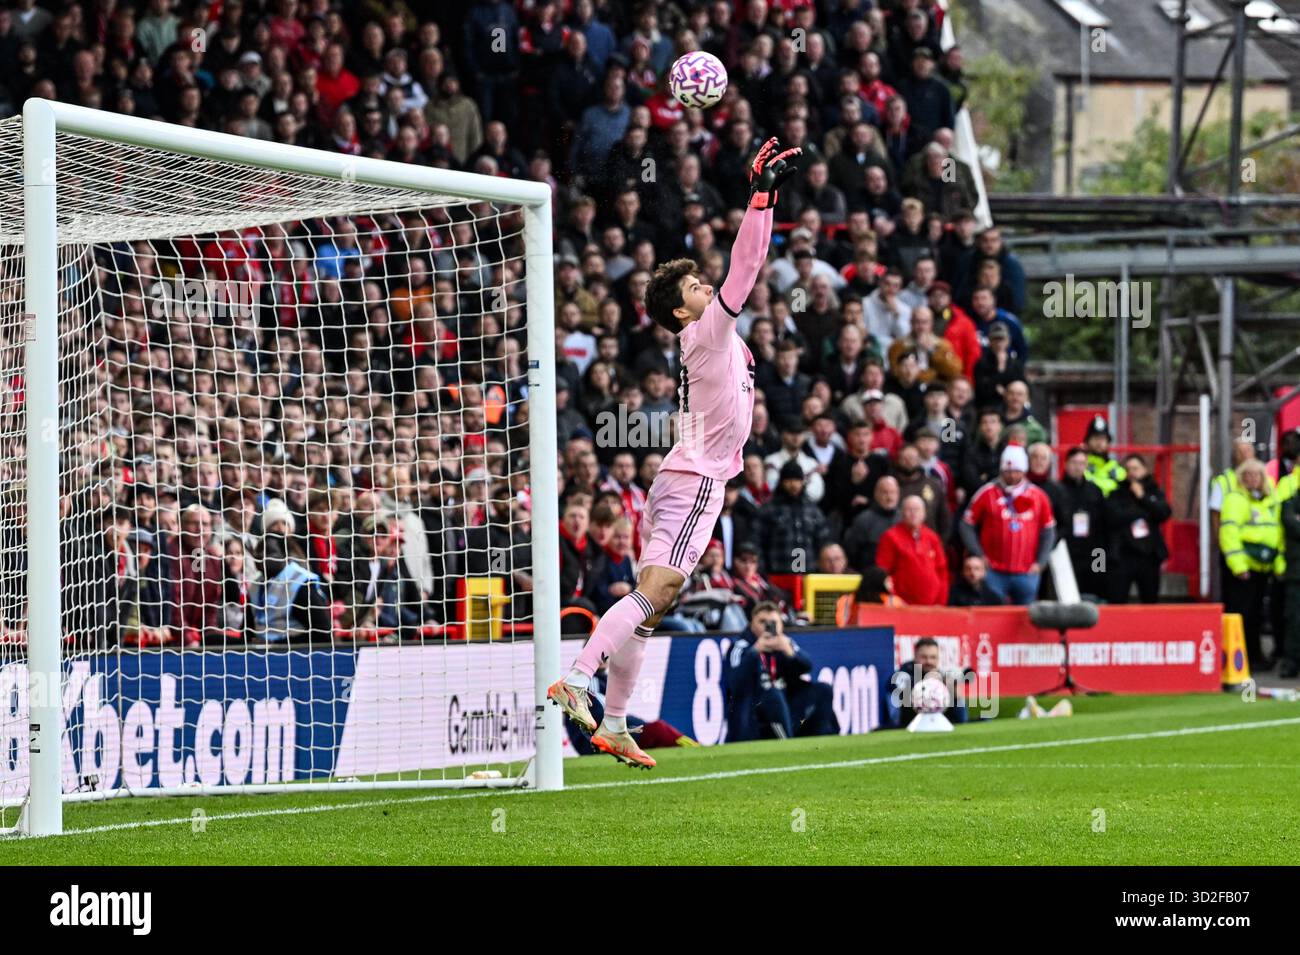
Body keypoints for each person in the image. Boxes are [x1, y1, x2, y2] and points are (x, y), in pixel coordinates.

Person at [548, 138, 803, 769]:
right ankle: (578, 677)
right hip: (697, 482)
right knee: (659, 592)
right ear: (679, 308)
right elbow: (747, 267)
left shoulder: (721, 342)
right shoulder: (706, 331)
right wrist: (761, 197)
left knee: (647, 607)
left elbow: (745, 267)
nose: (705, 285)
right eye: (694, 284)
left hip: (677, 477)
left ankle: (613, 723)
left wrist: (764, 204)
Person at [725, 601, 839, 742]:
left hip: (785, 708)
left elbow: (807, 665)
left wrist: (789, 652)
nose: (767, 627)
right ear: (751, 623)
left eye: (773, 622)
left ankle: (819, 744)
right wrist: (755, 651)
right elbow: (734, 682)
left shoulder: (784, 643)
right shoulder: (741, 646)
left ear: (781, 625)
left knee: (823, 690)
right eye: (762, 622)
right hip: (753, 713)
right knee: (772, 694)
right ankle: (787, 745)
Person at [960, 444, 1056, 605]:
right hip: (993, 570)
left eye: (1016, 471)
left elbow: (1048, 531)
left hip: (1027, 572)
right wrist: (978, 554)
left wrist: (1041, 562)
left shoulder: (1038, 496)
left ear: (1024, 470)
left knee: (1025, 620)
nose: (1012, 475)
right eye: (1008, 471)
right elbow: (966, 524)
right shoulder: (987, 492)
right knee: (993, 616)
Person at [1219, 459, 1283, 671]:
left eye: (1256, 475)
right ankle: (1240, 658)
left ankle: (1255, 655)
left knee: (1257, 615)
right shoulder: (1236, 499)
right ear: (1242, 478)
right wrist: (1238, 565)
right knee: (1241, 614)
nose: (1253, 479)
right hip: (1244, 567)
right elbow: (1229, 534)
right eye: (1248, 476)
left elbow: (1276, 531)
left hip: (1263, 567)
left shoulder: (1268, 499)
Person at [1104, 454, 1172, 604]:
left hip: (1148, 556)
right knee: (1117, 600)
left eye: (1135, 468)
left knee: (1150, 600)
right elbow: (1112, 517)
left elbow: (1163, 512)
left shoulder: (1154, 492)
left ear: (1145, 470)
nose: (1132, 472)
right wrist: (1143, 513)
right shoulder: (1117, 493)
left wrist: (1142, 497)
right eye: (1128, 469)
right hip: (1123, 555)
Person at [1046, 446, 1106, 599]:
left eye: (1081, 463)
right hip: (1066, 549)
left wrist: (1101, 559)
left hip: (1094, 550)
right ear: (1066, 464)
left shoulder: (1095, 490)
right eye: (1074, 462)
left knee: (1095, 589)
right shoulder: (1057, 489)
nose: (1078, 467)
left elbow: (1102, 524)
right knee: (1067, 592)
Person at [875, 495, 949, 605]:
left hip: (932, 607)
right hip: (901, 606)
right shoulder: (890, 537)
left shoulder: (932, 537)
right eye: (909, 509)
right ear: (902, 513)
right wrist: (894, 600)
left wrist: (941, 602)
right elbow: (883, 573)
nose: (913, 513)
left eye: (917, 509)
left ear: (924, 514)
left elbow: (942, 571)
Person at [886, 637, 968, 728]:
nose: (929, 661)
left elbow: (961, 717)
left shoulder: (940, 675)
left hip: (937, 722)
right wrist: (925, 682)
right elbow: (896, 692)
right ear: (916, 656)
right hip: (907, 723)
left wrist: (953, 691)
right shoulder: (904, 672)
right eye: (924, 657)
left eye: (933, 657)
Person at [1280, 490, 1300, 678]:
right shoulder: (1290, 503)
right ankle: (1291, 662)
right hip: (1295, 572)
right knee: (1294, 620)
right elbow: (1293, 527)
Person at [1082, 415, 1126, 497]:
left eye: (1102, 439)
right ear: (1087, 442)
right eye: (1095, 438)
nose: (1099, 443)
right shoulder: (1081, 465)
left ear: (1108, 442)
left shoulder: (1116, 467)